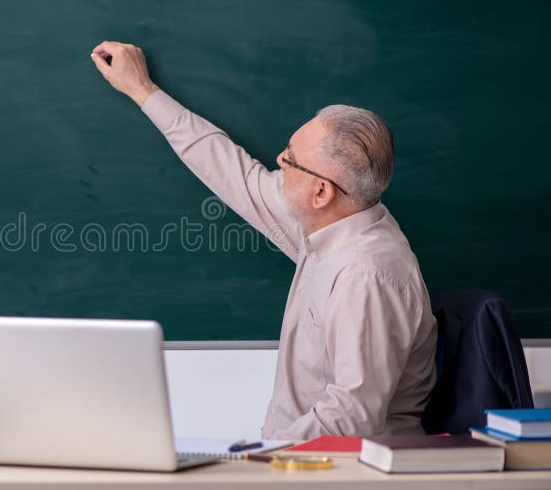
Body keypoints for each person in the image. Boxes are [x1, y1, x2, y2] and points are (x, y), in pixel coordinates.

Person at [89, 40, 437, 440]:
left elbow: (352, 417)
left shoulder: (366, 274)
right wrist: (142, 90)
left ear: (321, 192)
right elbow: (233, 173)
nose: (278, 160)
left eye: (290, 159)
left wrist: (258, 457)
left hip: (335, 471)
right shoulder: (333, 223)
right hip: (296, 461)